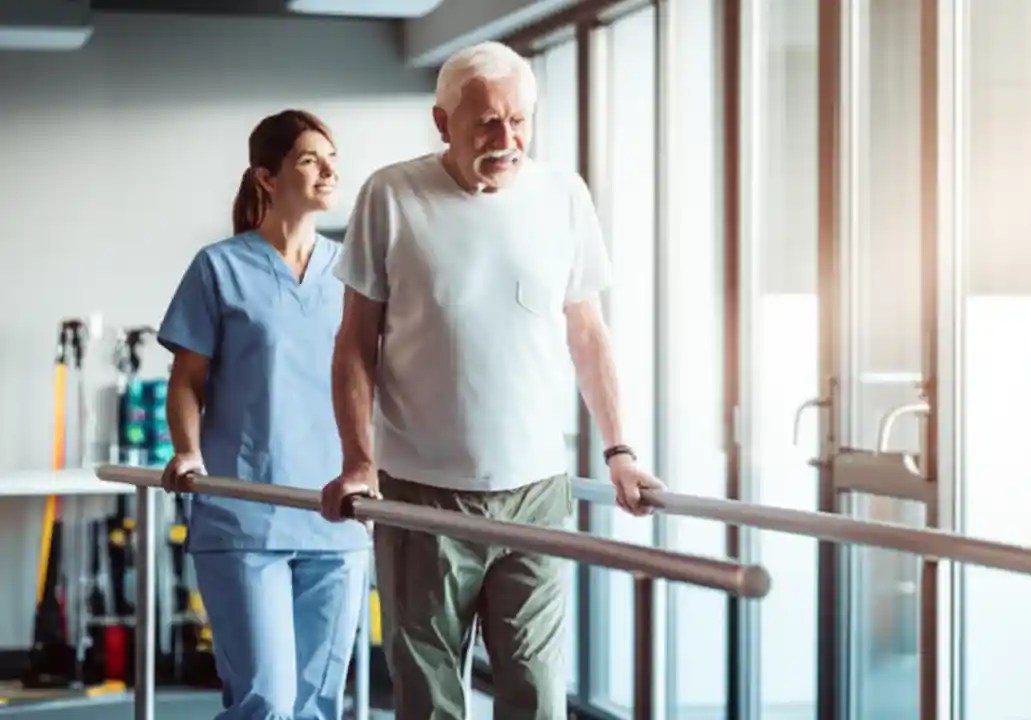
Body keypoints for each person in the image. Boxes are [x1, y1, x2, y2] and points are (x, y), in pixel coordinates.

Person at [318, 41, 664, 719]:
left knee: (536, 695)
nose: (507, 140)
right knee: (429, 697)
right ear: (443, 122)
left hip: (536, 493)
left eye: (519, 122)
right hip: (422, 495)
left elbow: (587, 335)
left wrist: (621, 451)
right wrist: (360, 462)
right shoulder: (392, 194)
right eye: (486, 125)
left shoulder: (564, 195)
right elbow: (355, 345)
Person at [158, 109, 371, 720]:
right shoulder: (218, 267)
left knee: (316, 706)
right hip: (244, 519)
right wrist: (188, 450)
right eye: (309, 159)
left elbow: (375, 383)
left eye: (332, 157)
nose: (329, 169)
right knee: (267, 702)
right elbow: (186, 380)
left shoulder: (352, 271)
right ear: (266, 177)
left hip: (336, 518)